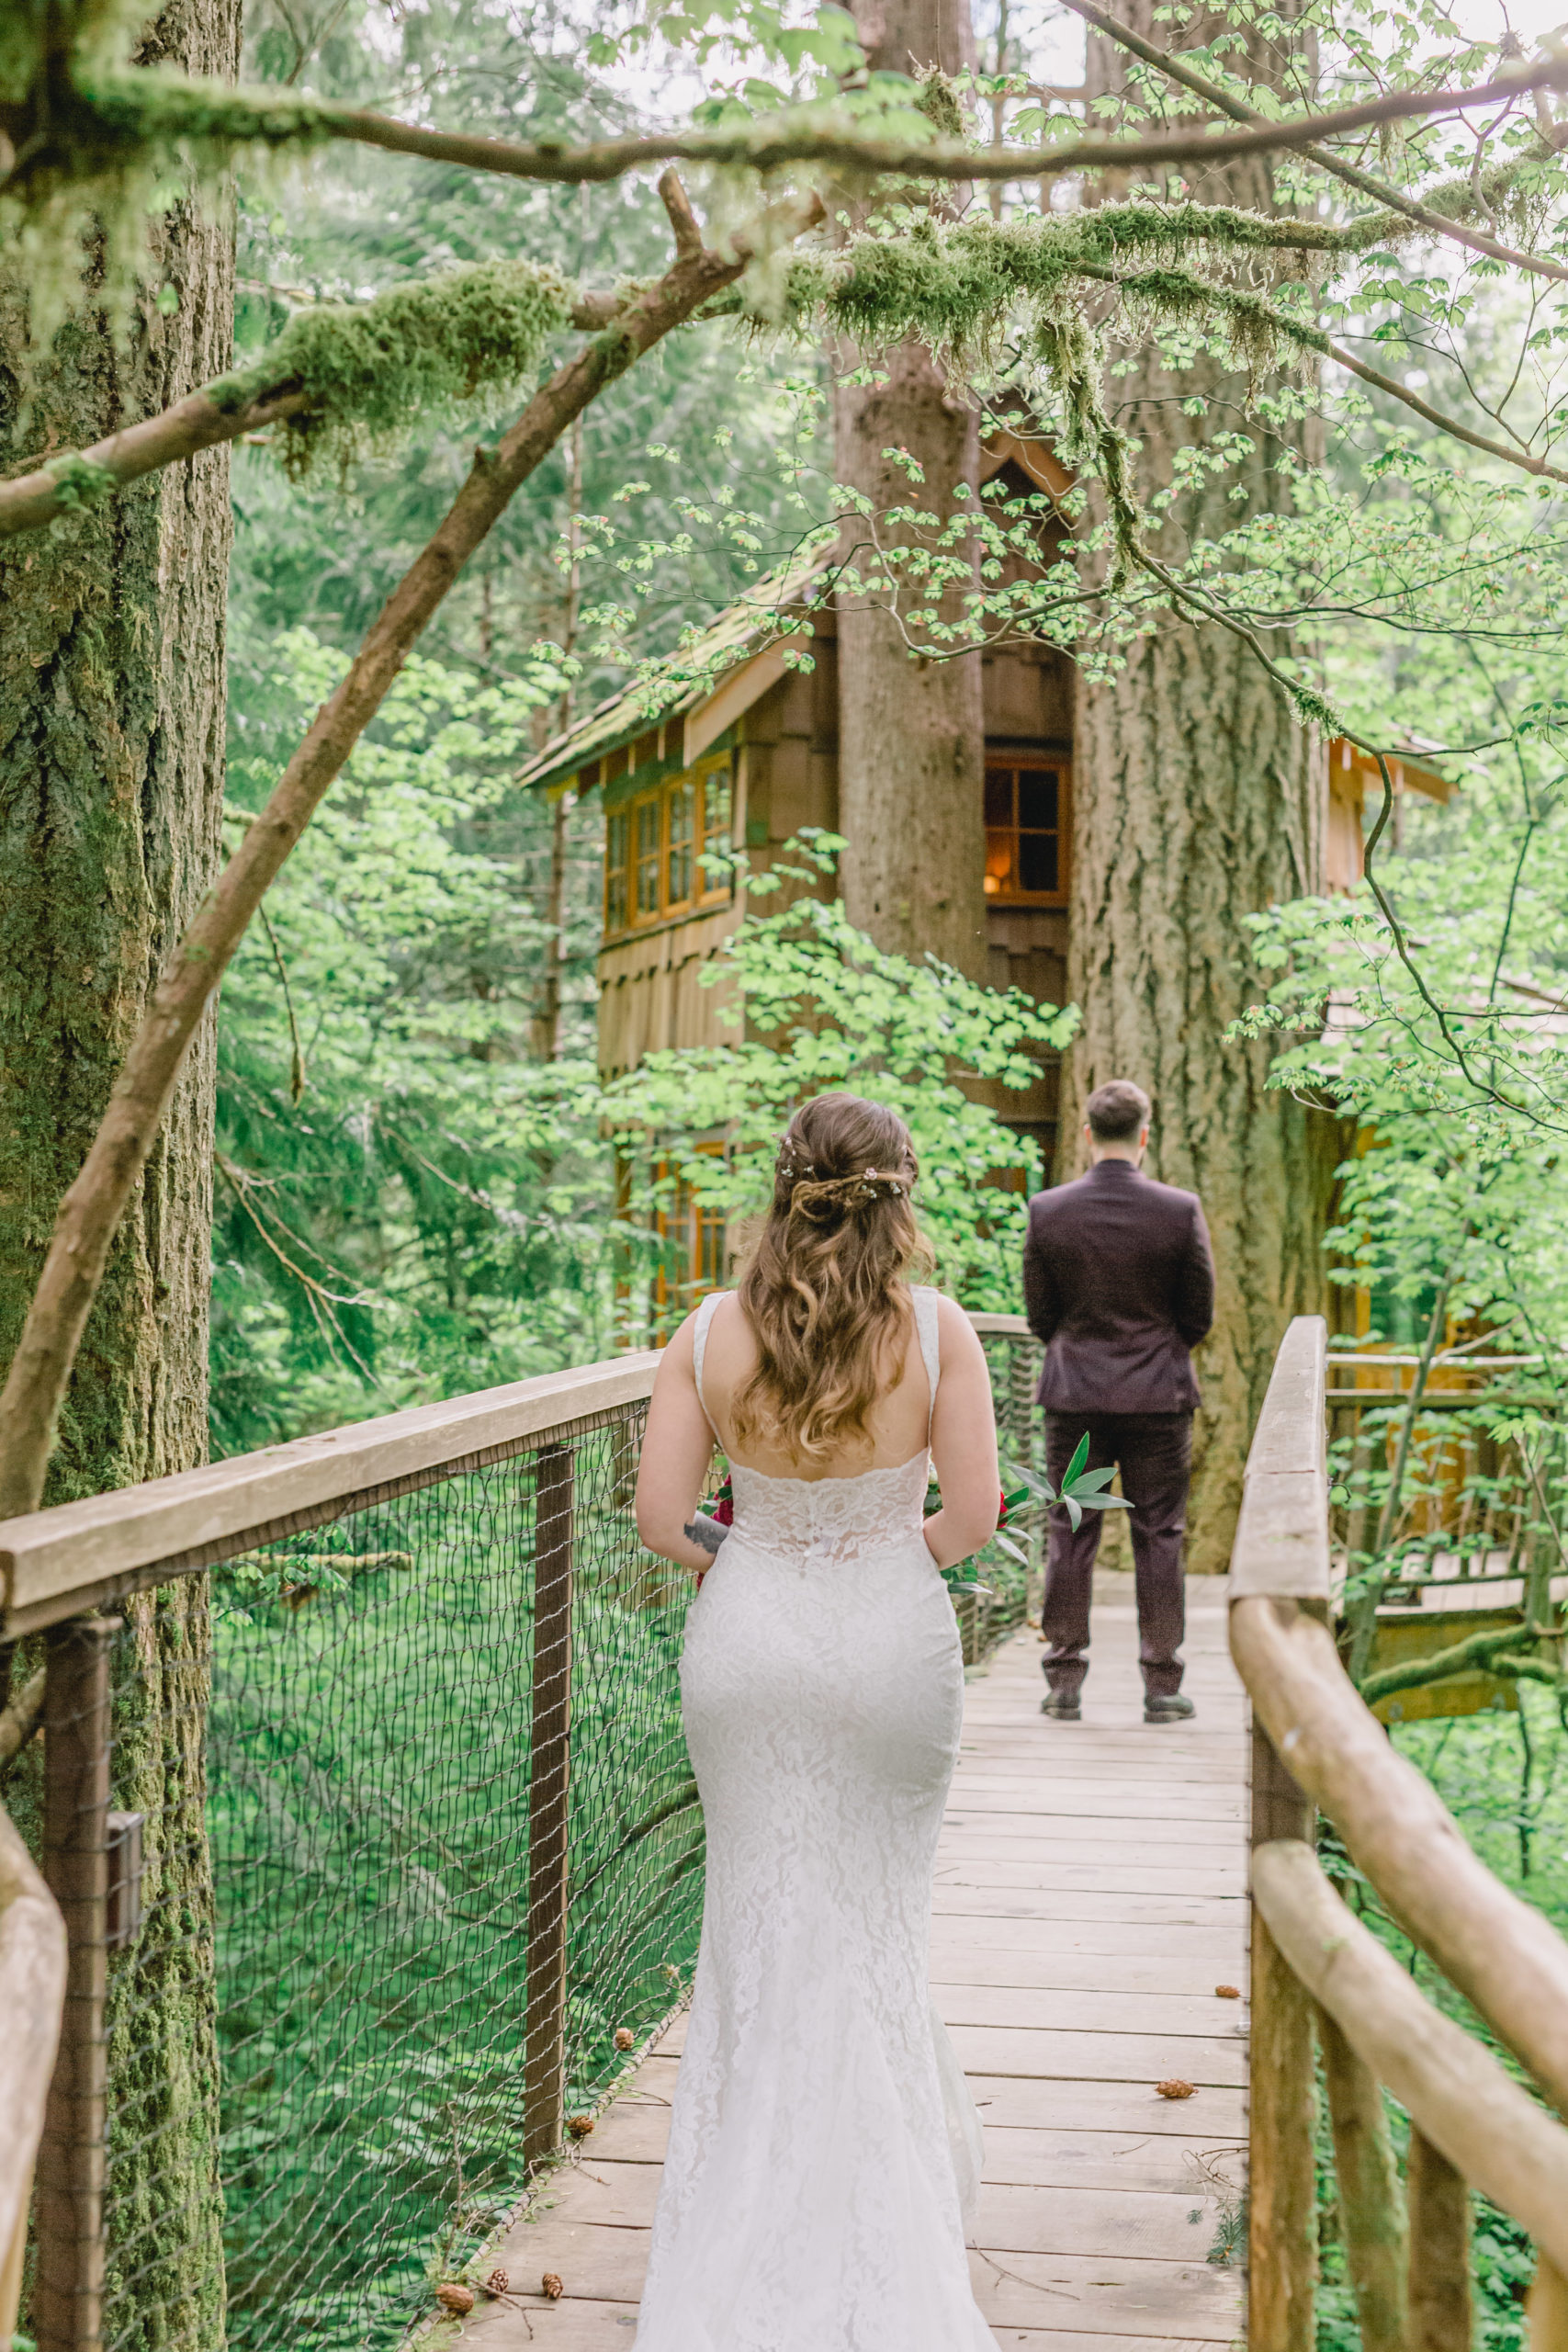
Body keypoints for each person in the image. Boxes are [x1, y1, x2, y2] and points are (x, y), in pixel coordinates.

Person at [634, 1091, 1002, 2352]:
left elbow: (661, 1519)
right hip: (892, 1644)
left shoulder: (706, 1334)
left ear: (783, 1189)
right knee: (873, 1922)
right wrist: (876, 1563)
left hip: (748, 1647)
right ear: (899, 1198)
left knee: (757, 1922)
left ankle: (748, 2216)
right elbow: (971, 1517)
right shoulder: (938, 1332)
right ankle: (881, 2210)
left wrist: (757, 1562)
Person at [1021, 1078, 1215, 1725]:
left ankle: (1063, 1680)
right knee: (1160, 1534)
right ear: (1144, 1135)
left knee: (1070, 1529)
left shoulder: (1048, 1210)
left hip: (1074, 1394)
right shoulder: (1179, 1210)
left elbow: (1040, 1314)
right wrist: (1155, 1352)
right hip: (1158, 1397)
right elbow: (1198, 1313)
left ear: (1087, 1135)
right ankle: (1161, 1684)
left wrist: (1080, 1351)